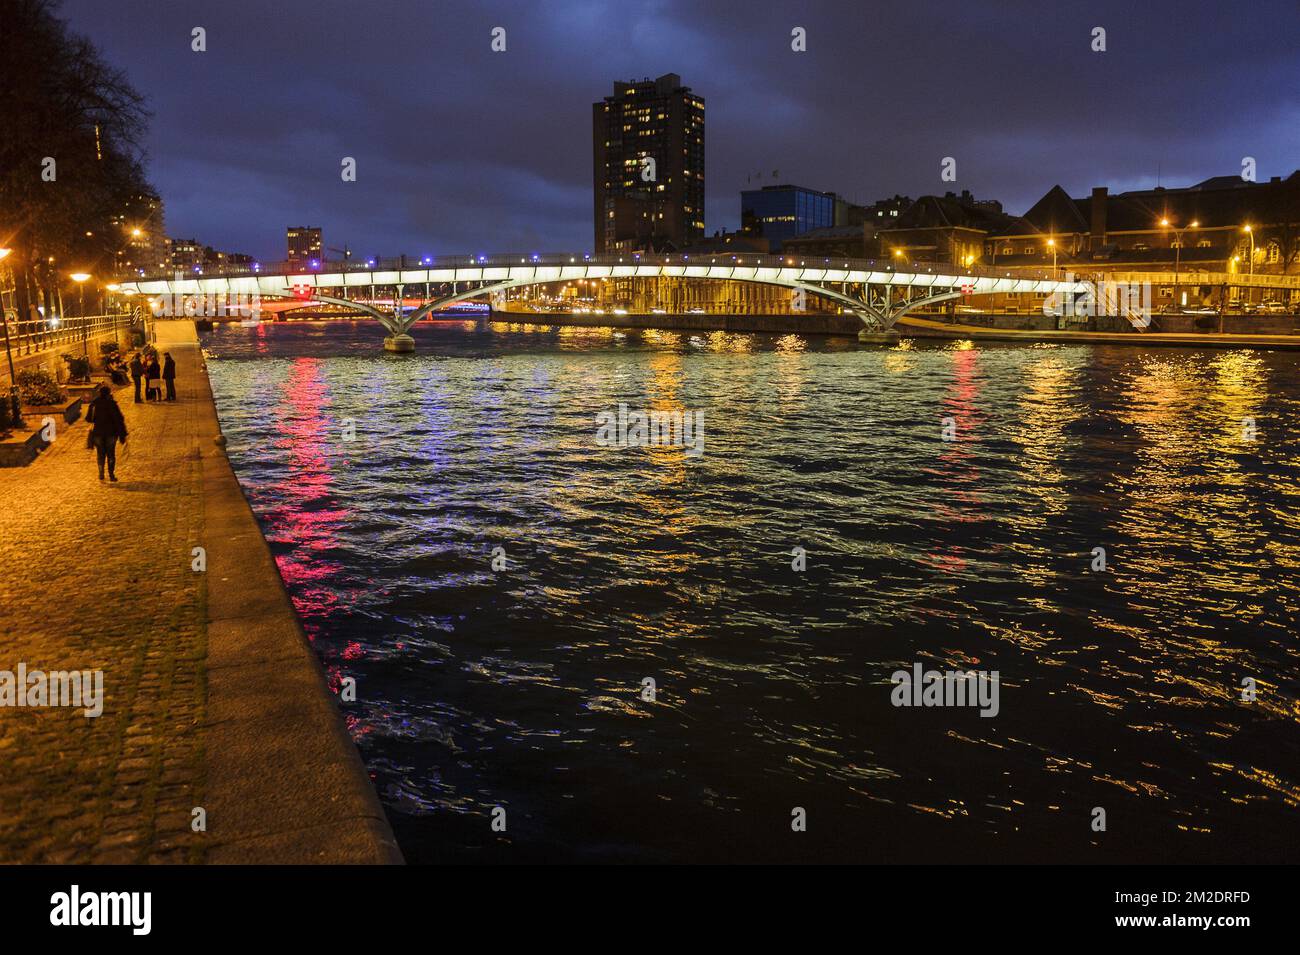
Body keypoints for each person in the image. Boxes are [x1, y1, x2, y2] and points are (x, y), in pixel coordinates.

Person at [85, 385, 127, 481]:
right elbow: (119, 419)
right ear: (109, 393)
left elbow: (88, 418)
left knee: (100, 453)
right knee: (111, 454)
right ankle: (111, 474)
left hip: (98, 433)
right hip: (111, 433)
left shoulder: (94, 404)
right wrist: (122, 434)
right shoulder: (112, 404)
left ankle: (101, 473)